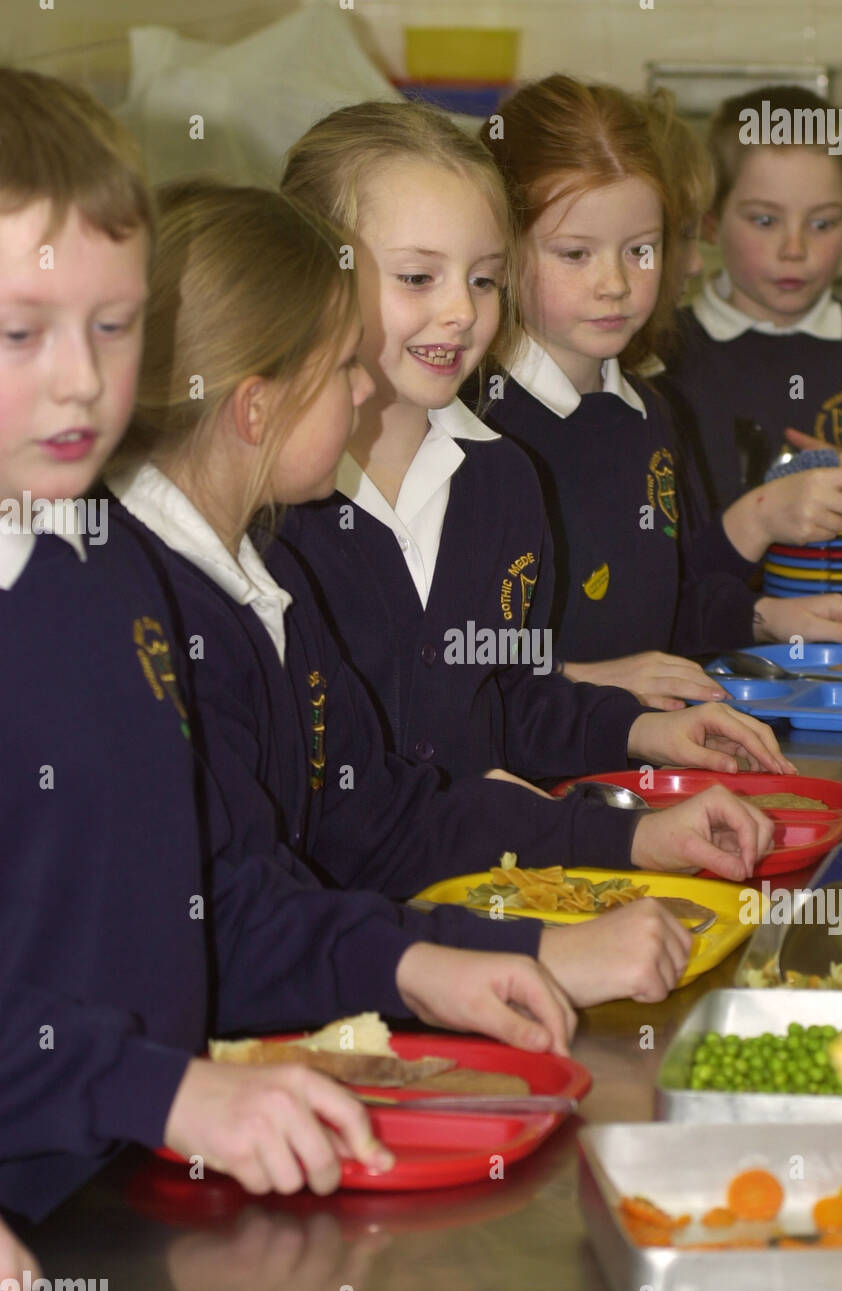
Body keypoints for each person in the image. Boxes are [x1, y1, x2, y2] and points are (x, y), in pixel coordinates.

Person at [106, 179, 781, 1017]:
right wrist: (513, 959)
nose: (365, 393)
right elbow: (232, 932)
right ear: (256, 407)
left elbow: (386, 819)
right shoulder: (138, 617)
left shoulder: (261, 585)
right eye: (344, 369)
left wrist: (634, 836)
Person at [0, 69, 402, 1223]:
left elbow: (205, 886)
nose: (83, 378)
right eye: (24, 330)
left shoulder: (103, 560)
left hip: (134, 1174)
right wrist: (160, 1089)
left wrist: (418, 959)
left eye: (115, 326)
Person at [274, 100, 795, 765]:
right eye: (417, 277)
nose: (461, 310)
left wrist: (634, 727)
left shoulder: (503, 476)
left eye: (482, 279)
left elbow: (506, 695)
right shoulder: (283, 499)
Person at [479, 74, 842, 708]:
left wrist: (764, 618)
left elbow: (660, 608)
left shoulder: (650, 413)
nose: (615, 283)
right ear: (500, 253)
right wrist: (595, 683)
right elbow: (458, 673)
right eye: (575, 254)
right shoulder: (477, 431)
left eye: (641, 250)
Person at [664, 83, 842, 529]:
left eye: (822, 223)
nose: (795, 249)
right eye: (764, 220)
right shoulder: (664, 356)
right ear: (711, 223)